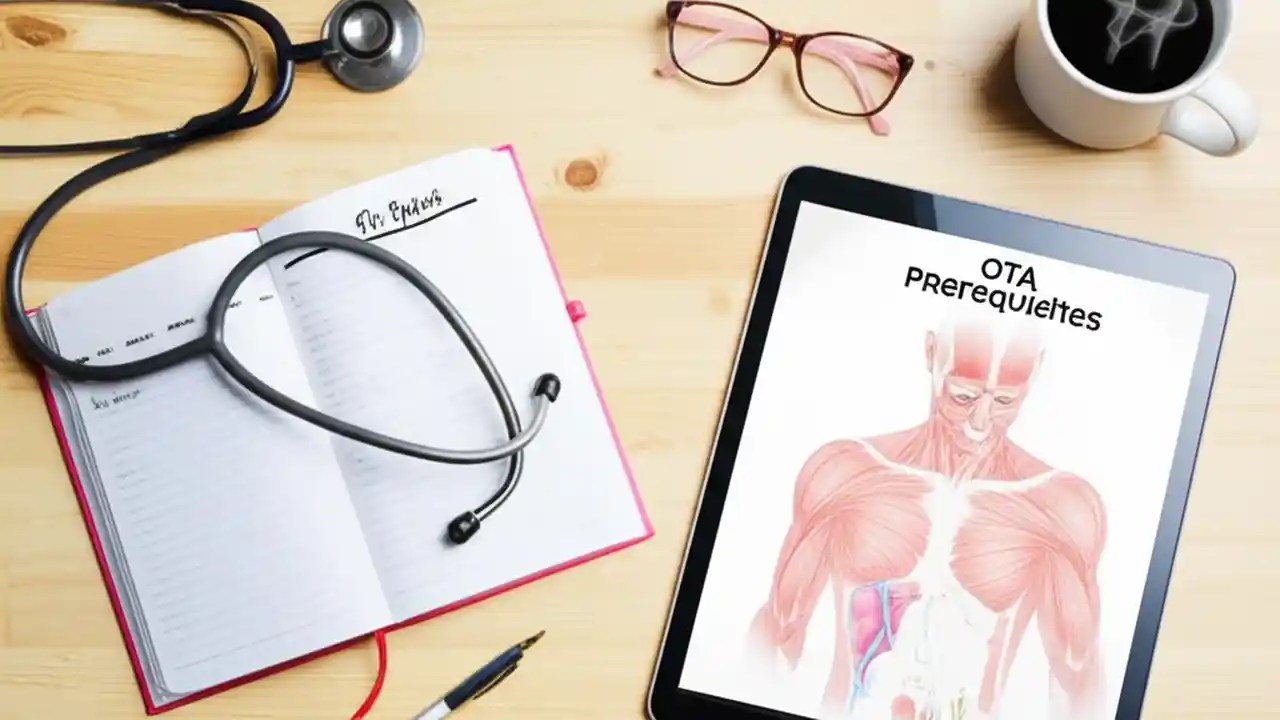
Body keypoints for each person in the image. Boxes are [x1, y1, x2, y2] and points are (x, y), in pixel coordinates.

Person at [748, 321, 1107, 720]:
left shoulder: (1059, 505)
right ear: (930, 352)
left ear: (1036, 373)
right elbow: (779, 631)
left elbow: (1077, 674)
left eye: (1005, 401)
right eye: (963, 396)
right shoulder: (845, 472)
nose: (979, 423)